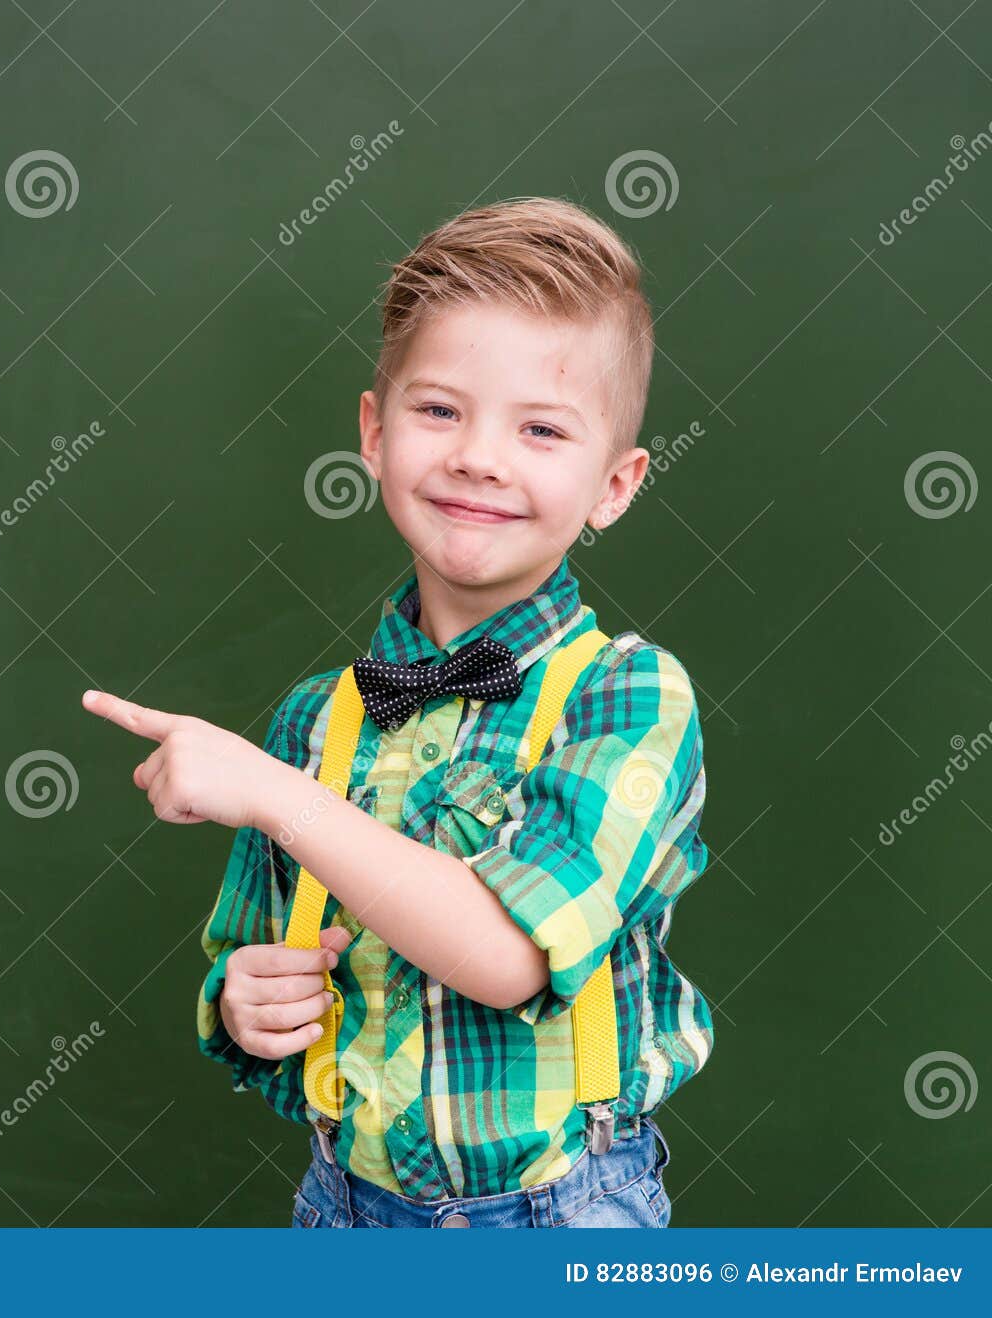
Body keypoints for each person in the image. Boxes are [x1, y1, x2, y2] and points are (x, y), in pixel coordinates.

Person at [82, 195, 711, 1227]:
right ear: (373, 433)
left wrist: (273, 796)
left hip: (556, 1216)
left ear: (614, 484)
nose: (478, 456)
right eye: (438, 410)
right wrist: (247, 1004)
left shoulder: (628, 695)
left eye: (541, 429)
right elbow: (255, 953)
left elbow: (508, 959)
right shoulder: (314, 725)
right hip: (344, 1206)